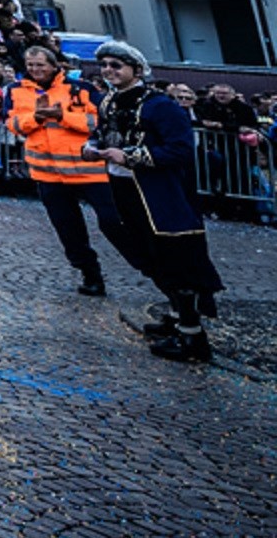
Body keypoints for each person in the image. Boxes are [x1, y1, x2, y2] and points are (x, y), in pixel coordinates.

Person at [89, 44, 225, 363]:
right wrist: (92, 146)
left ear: (136, 70)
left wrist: (132, 156)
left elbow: (180, 150)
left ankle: (193, 338)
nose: (108, 70)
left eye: (116, 65)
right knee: (148, 255)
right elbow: (105, 133)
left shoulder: (160, 105)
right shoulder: (109, 101)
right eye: (104, 65)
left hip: (160, 194)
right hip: (124, 188)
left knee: (175, 259)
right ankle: (178, 319)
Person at [8, 44, 117, 297]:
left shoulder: (81, 89)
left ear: (54, 64)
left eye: (41, 65)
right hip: (48, 174)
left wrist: (61, 117)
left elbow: (98, 122)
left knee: (114, 223)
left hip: (89, 171)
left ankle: (150, 267)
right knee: (68, 230)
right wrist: (36, 117)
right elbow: (13, 124)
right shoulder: (15, 91)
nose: (35, 70)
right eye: (31, 65)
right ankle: (90, 274)